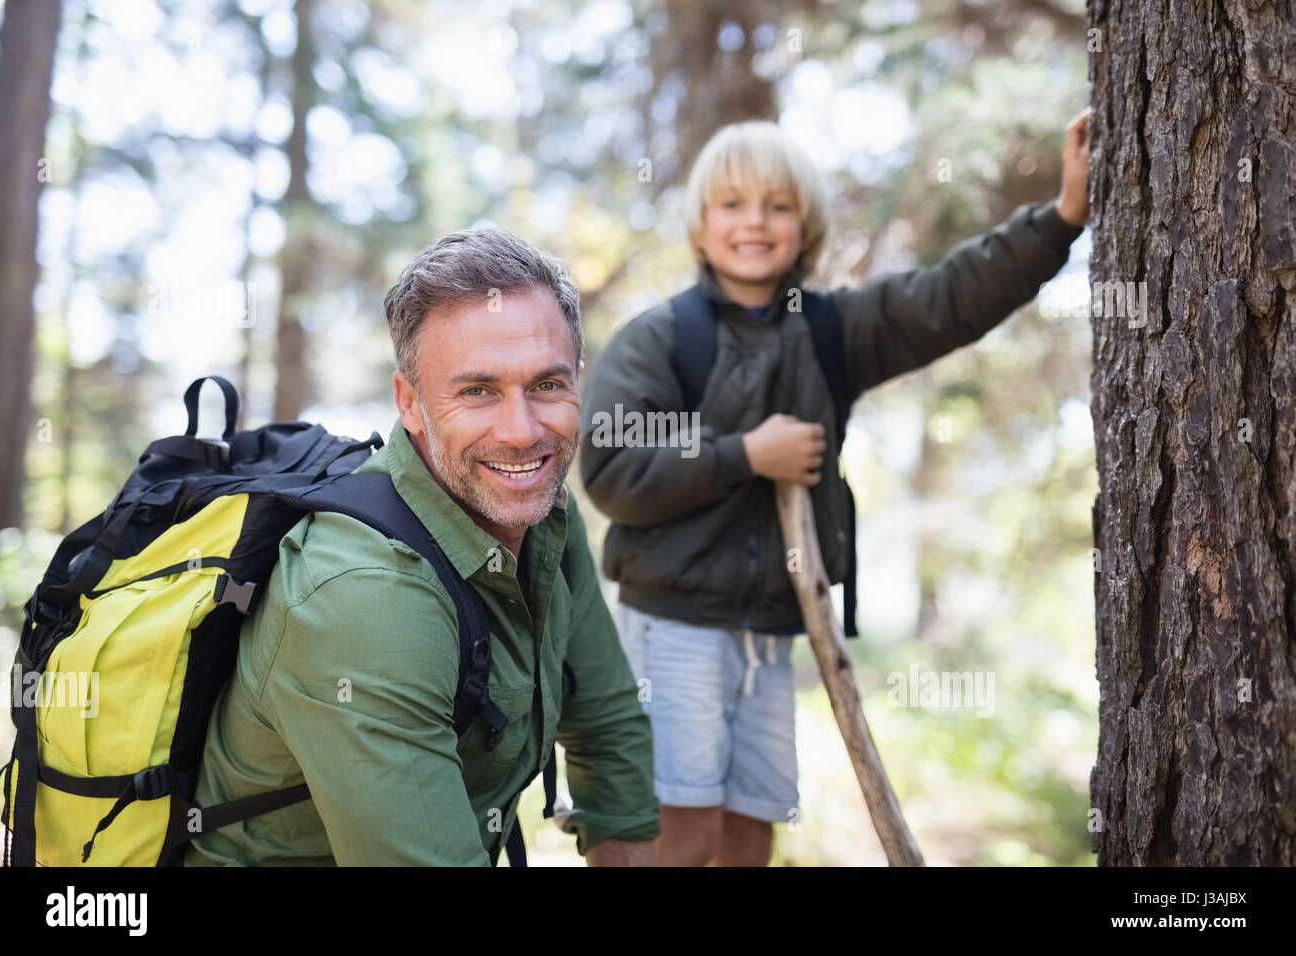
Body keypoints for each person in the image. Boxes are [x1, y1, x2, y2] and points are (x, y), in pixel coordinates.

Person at [578, 110, 1092, 866]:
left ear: (805, 225)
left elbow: (948, 297)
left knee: (751, 831)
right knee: (681, 832)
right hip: (676, 627)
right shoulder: (663, 338)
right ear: (699, 224)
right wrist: (745, 453)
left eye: (777, 206)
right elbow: (612, 463)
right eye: (732, 204)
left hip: (775, 632)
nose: (755, 222)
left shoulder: (829, 332)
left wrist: (1062, 219)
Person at [186, 227, 659, 866]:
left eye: (546, 385)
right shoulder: (365, 597)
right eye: (477, 391)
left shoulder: (544, 515)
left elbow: (606, 729)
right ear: (410, 403)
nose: (522, 433)